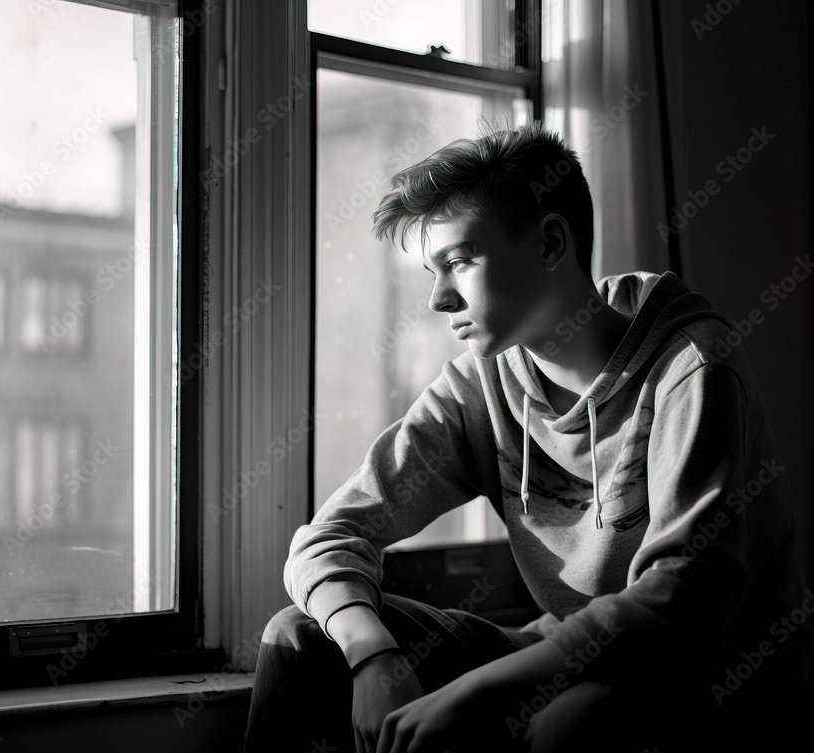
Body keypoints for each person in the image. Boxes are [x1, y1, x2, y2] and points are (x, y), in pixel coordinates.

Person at [242, 123, 813, 753]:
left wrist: (470, 692)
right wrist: (373, 658)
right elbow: (330, 536)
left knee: (571, 724)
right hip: (560, 652)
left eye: (458, 262)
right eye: (432, 271)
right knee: (300, 637)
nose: (437, 298)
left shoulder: (693, 370)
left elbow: (683, 601)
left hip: (711, 679)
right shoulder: (478, 386)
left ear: (549, 243)